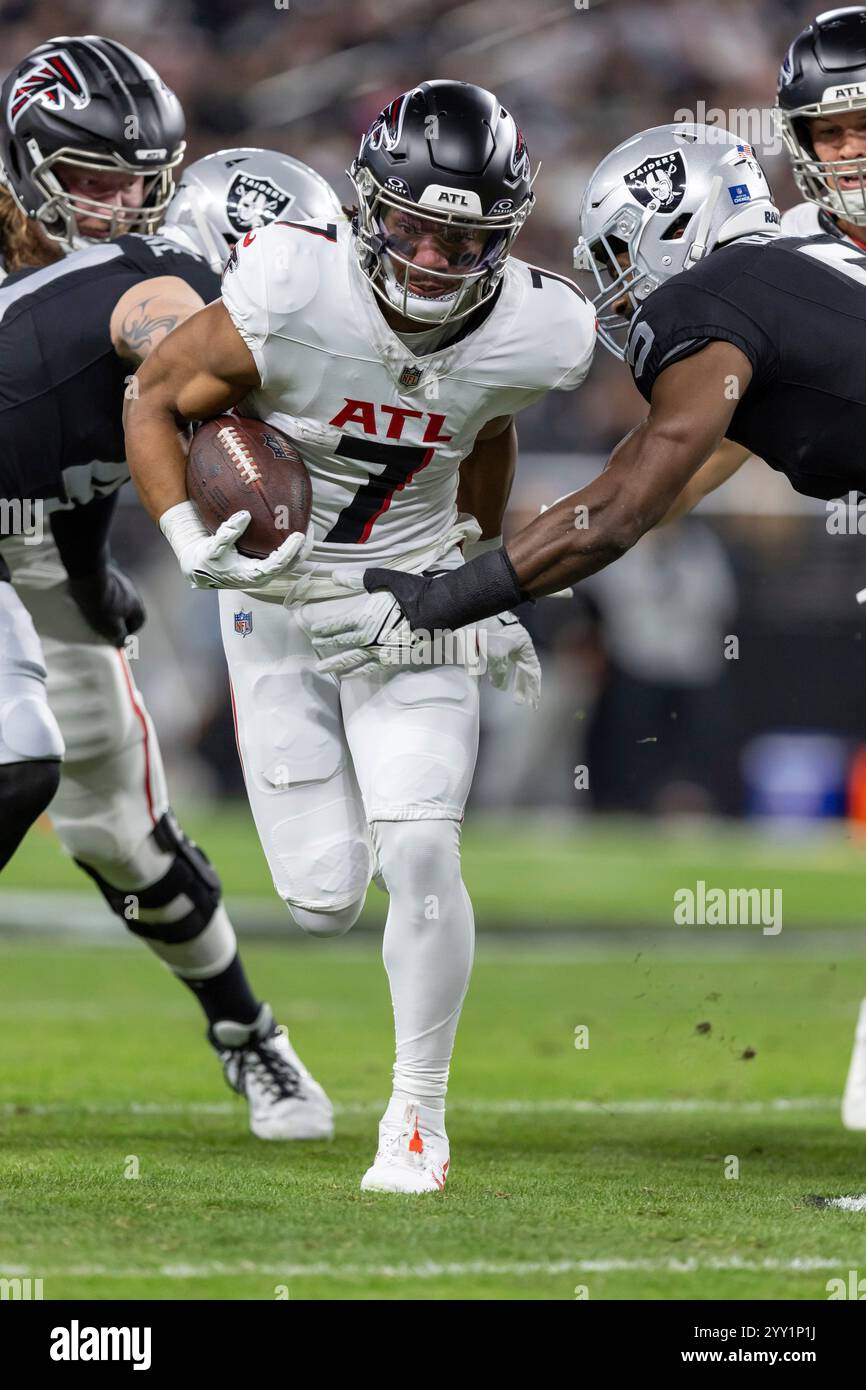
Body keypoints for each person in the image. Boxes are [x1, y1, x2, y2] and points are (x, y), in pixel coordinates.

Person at [125, 80, 597, 1192]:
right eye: (412, 223)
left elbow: (485, 424)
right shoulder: (291, 282)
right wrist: (191, 536)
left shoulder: (544, 326)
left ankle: (417, 1119)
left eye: (463, 233)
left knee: (422, 844)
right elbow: (153, 395)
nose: (432, 254)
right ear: (365, 205)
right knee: (323, 896)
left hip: (414, 594)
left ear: (505, 233)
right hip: (277, 597)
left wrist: (484, 570)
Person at [0, 34, 339, 1140]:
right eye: (95, 179)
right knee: (18, 753)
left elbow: (67, 444)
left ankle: (250, 1035)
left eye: (142, 182)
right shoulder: (167, 293)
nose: (120, 206)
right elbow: (152, 326)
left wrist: (90, 573)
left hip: (37, 549)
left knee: (122, 828)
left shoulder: (137, 270)